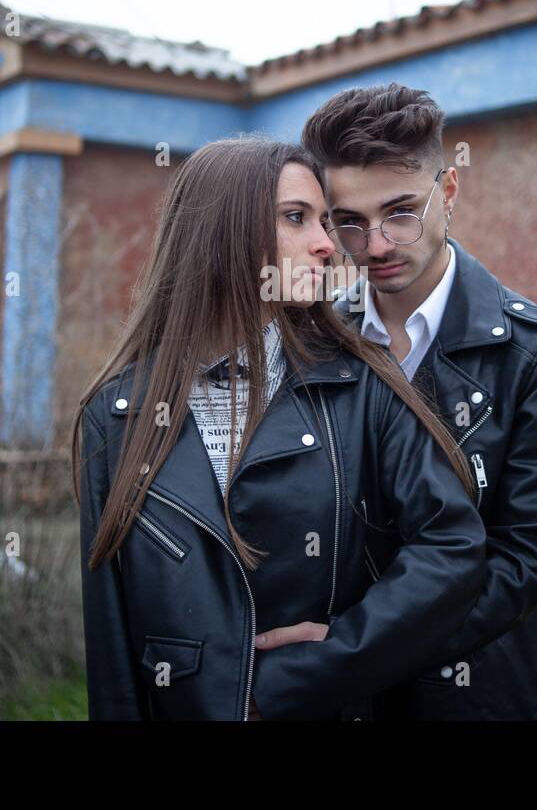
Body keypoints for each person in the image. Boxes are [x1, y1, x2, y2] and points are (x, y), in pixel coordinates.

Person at [71, 135, 487, 720]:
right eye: (296, 219)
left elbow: (451, 548)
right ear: (222, 230)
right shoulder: (116, 415)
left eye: (324, 221)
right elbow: (111, 642)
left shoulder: (361, 386)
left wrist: (328, 661)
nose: (328, 246)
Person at [283, 82, 537, 720]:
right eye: (349, 221)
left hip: (479, 693)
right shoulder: (313, 340)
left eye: (401, 212)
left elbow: (529, 558)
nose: (374, 247)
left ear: (447, 192)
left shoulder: (535, 351)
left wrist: (357, 650)